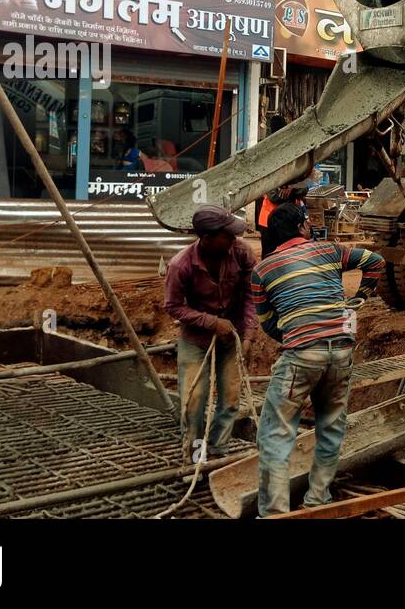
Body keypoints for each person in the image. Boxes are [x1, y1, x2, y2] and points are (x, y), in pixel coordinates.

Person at [251, 204, 385, 515]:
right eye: (307, 222)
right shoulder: (330, 250)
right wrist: (358, 300)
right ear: (300, 228)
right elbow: (374, 261)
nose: (311, 224)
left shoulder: (263, 270)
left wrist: (295, 334)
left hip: (301, 354)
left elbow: (268, 322)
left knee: (276, 433)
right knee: (331, 426)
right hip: (341, 349)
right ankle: (317, 499)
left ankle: (275, 512)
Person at [163, 205, 256, 462]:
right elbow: (172, 306)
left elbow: (252, 293)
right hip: (196, 341)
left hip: (232, 338)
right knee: (193, 403)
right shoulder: (180, 265)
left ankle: (217, 453)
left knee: (230, 400)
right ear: (207, 239)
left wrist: (248, 334)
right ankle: (193, 459)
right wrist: (210, 322)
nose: (234, 238)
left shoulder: (241, 253)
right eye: (227, 235)